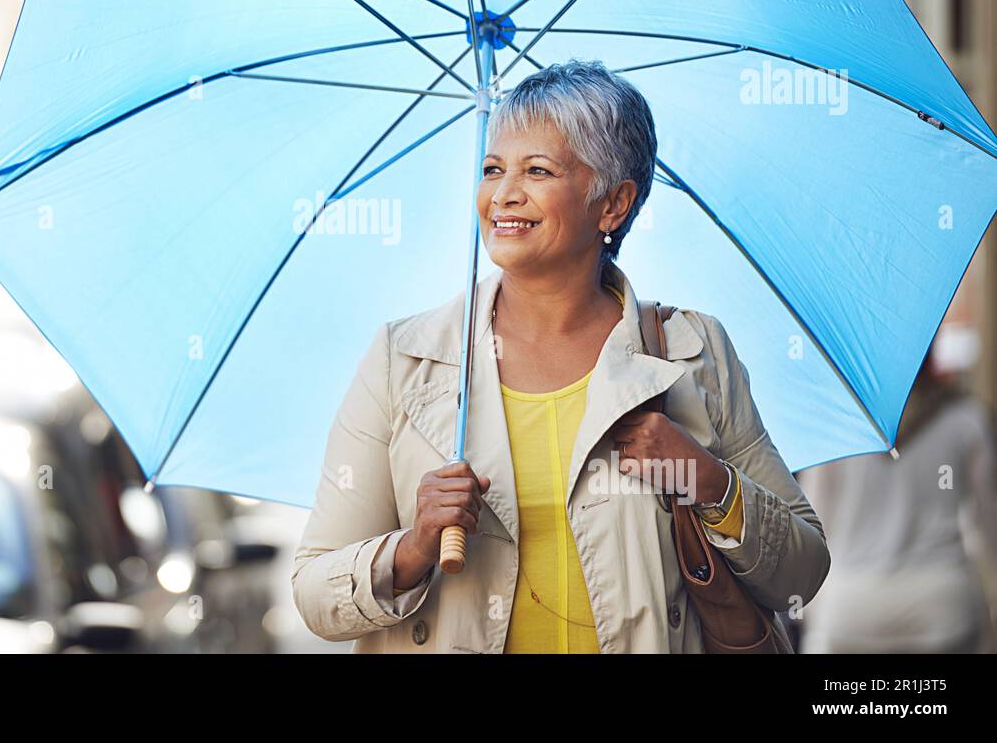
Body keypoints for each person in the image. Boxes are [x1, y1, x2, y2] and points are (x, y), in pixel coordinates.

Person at [291, 59, 830, 652]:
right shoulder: (406, 359)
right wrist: (413, 547)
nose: (503, 194)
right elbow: (315, 593)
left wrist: (708, 480)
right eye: (492, 168)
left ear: (613, 204)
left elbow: (803, 572)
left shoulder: (693, 353)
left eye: (537, 170)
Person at [797, 348, 997, 653]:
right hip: (941, 607)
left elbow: (813, 523)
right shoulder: (965, 419)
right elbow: (988, 526)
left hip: (850, 608)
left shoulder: (835, 425)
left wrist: (810, 611)